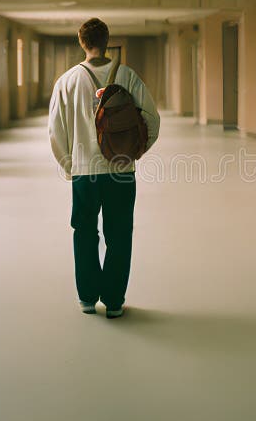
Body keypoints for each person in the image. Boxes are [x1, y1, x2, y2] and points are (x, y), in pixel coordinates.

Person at [48, 18, 160, 319]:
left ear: (82, 43)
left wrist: (70, 165)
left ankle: (86, 297)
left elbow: (55, 130)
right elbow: (152, 119)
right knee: (120, 233)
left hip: (84, 172)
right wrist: (132, 153)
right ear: (107, 40)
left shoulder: (67, 81)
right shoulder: (127, 75)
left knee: (84, 232)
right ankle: (113, 302)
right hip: (121, 171)